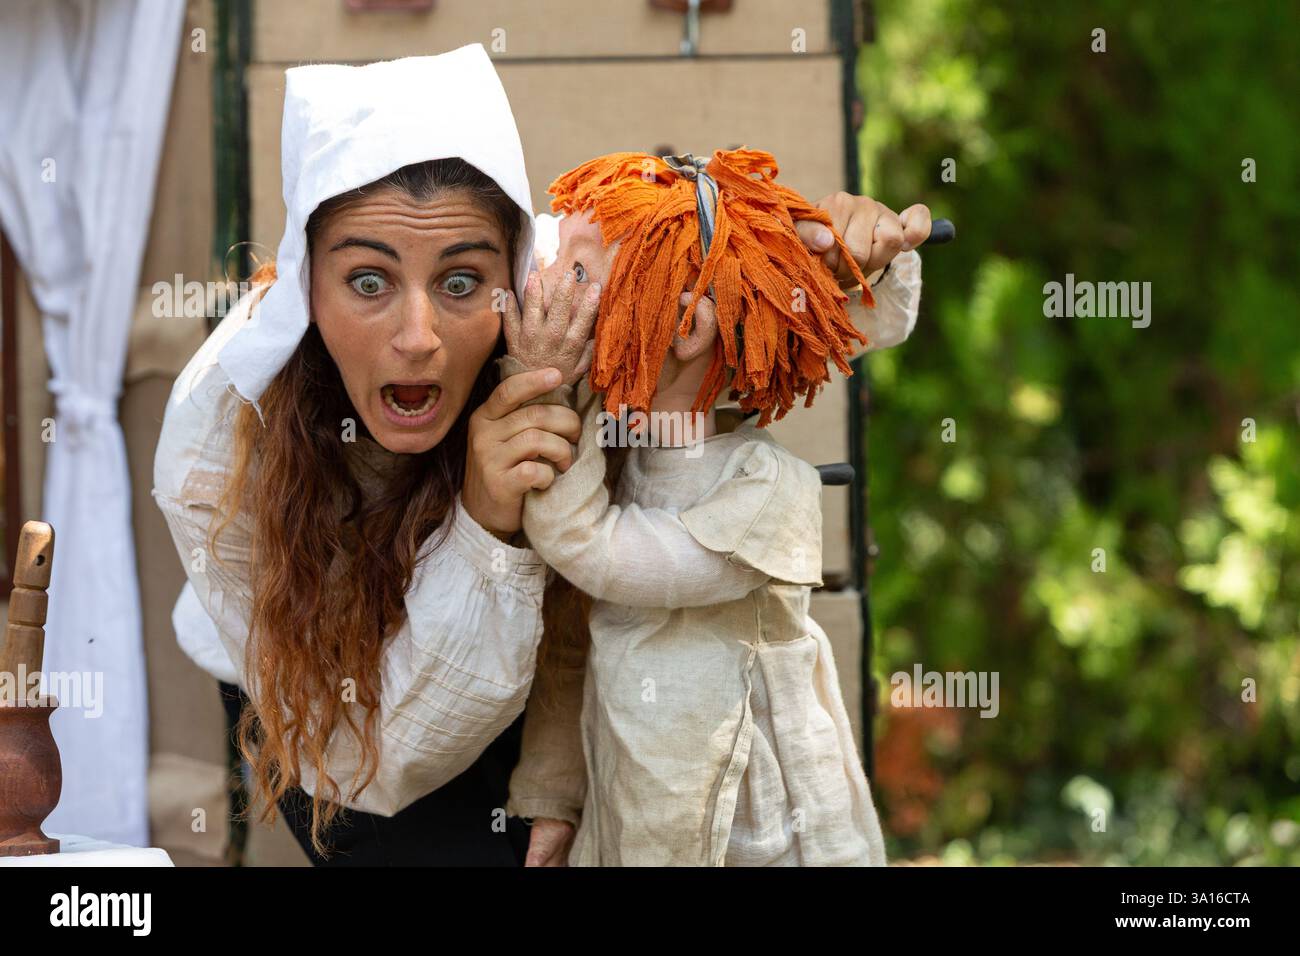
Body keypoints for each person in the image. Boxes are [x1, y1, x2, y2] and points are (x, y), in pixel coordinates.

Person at [156, 45, 929, 866]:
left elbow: (749, 312)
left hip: (534, 673)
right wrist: (488, 521)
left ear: (517, 273)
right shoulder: (219, 442)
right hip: (344, 707)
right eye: (368, 282)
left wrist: (846, 256)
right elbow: (374, 761)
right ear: (308, 285)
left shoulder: (555, 306)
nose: (416, 339)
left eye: (460, 283)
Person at [498, 148, 926, 865]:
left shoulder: (764, 491)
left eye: (576, 270)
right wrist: (551, 796)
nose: (544, 281)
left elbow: (588, 550)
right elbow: (572, 643)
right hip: (637, 807)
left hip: (753, 829)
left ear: (686, 329)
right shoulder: (618, 453)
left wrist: (546, 387)